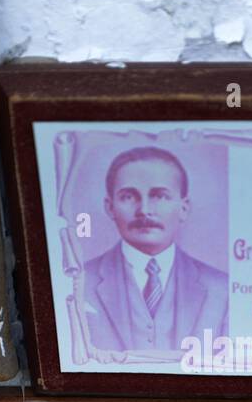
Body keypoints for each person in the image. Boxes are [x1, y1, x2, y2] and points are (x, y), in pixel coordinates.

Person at [81, 147, 228, 352]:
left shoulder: (221, 289)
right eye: (128, 197)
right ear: (110, 207)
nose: (145, 210)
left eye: (160, 196)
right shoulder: (78, 283)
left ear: (183, 208)